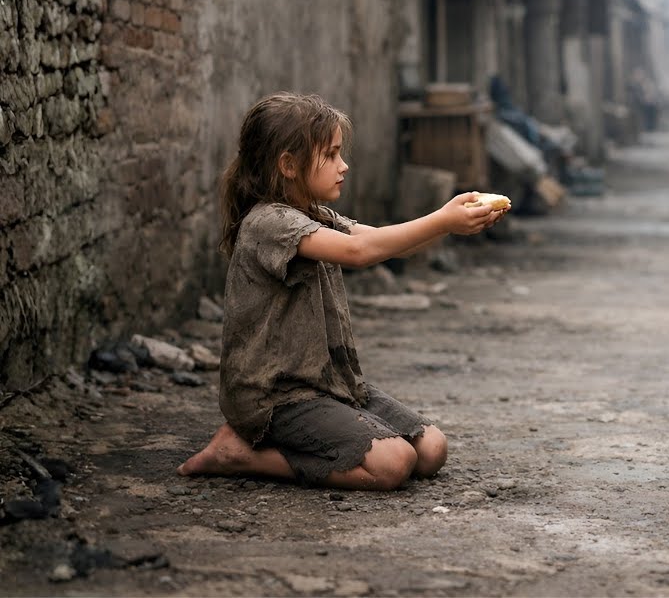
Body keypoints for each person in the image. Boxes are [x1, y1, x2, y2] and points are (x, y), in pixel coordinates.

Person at [178, 92, 508, 490]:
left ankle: (289, 444)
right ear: (288, 165)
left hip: (332, 386)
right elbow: (359, 252)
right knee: (394, 464)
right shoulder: (268, 222)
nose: (344, 165)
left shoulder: (314, 215)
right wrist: (442, 220)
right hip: (275, 398)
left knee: (431, 449)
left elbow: (383, 242)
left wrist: (453, 222)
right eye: (331, 155)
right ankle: (241, 455)